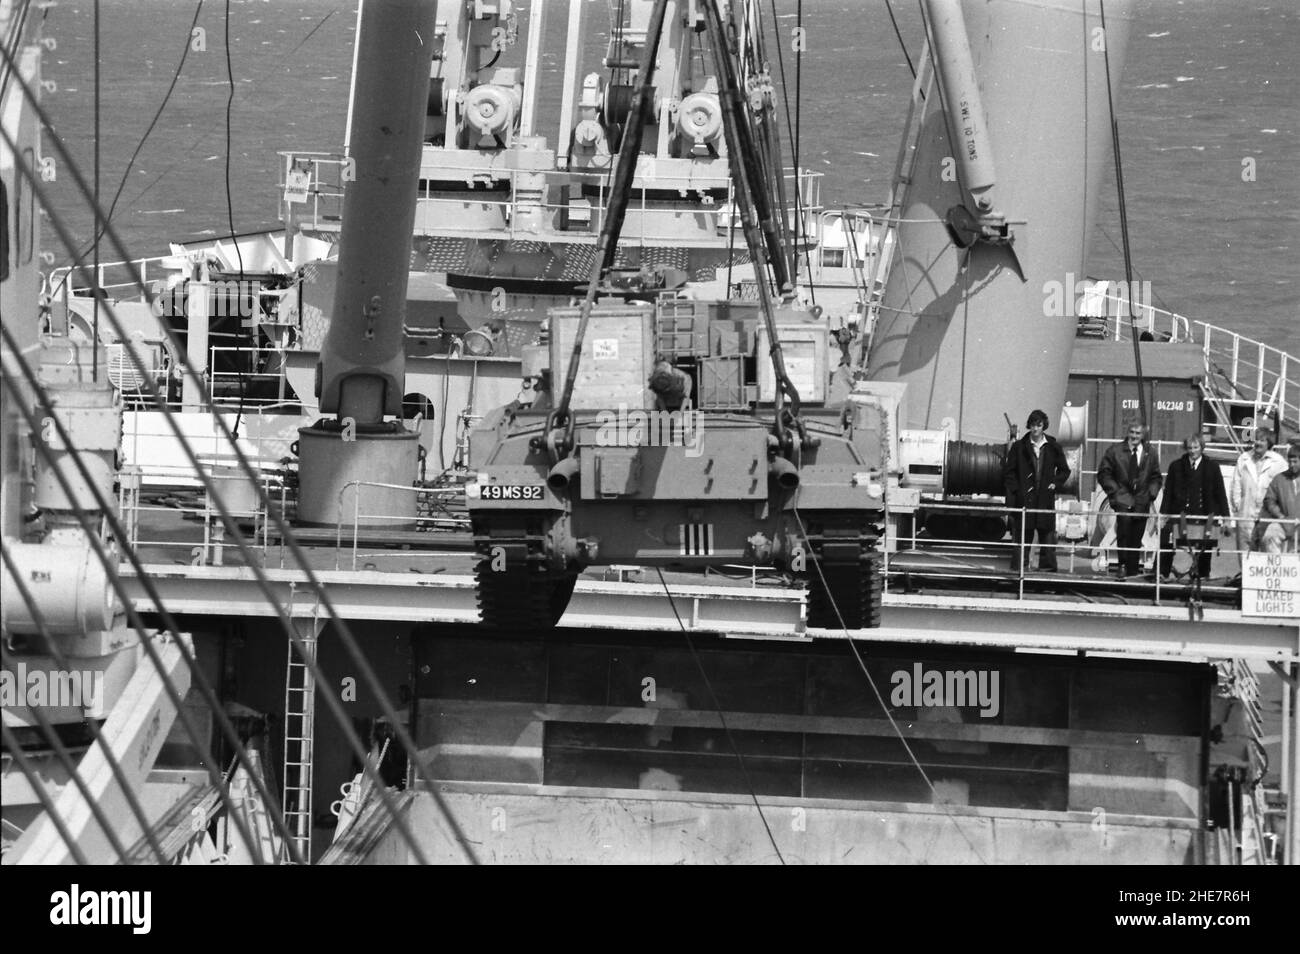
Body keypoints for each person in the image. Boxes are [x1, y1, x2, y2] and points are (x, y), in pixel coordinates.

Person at [1003, 409, 1070, 572]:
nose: (1035, 429)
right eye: (1032, 425)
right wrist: (1018, 491)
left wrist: (1055, 483)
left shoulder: (1053, 447)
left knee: (1047, 535)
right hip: (1025, 499)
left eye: (1038, 425)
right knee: (1022, 536)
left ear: (1043, 426)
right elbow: (1009, 472)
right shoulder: (1019, 447)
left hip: (1045, 499)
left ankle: (1047, 569)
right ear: (1029, 426)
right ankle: (1020, 568)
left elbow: (1064, 470)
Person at [1097, 418, 1162, 578]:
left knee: (1137, 535)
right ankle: (1122, 566)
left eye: (1138, 433)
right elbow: (1104, 473)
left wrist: (1151, 494)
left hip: (1142, 500)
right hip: (1122, 499)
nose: (1134, 436)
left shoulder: (1150, 452)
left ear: (1143, 434)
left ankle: (1133, 571)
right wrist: (1115, 492)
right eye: (1132, 432)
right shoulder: (1115, 451)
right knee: (1124, 531)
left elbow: (1156, 477)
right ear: (1128, 433)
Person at [1157, 434, 1229, 580]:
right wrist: (1163, 515)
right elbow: (1168, 492)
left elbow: (1220, 492)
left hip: (1205, 516)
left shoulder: (1213, 467)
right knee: (1166, 539)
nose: (1192, 451)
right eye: (1189, 448)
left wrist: (1226, 517)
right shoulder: (1176, 466)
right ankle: (1161, 573)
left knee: (1206, 546)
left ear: (1202, 448)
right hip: (1179, 515)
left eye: (1195, 447)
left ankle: (1202, 575)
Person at [1229, 428, 1287, 552]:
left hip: (1268, 518)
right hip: (1246, 515)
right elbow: (1235, 486)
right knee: (1245, 556)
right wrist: (1239, 507)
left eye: (1262, 440)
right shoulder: (1244, 459)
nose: (1258, 443)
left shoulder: (1279, 462)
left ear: (1269, 443)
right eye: (1256, 439)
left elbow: (1284, 489)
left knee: (1267, 556)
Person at [1259, 442, 1300, 554]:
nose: (1292, 465)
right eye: (1290, 461)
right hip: (1284, 522)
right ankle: (1276, 568)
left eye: (1295, 461)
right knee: (1269, 535)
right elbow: (1269, 500)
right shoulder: (1279, 479)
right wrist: (1280, 516)